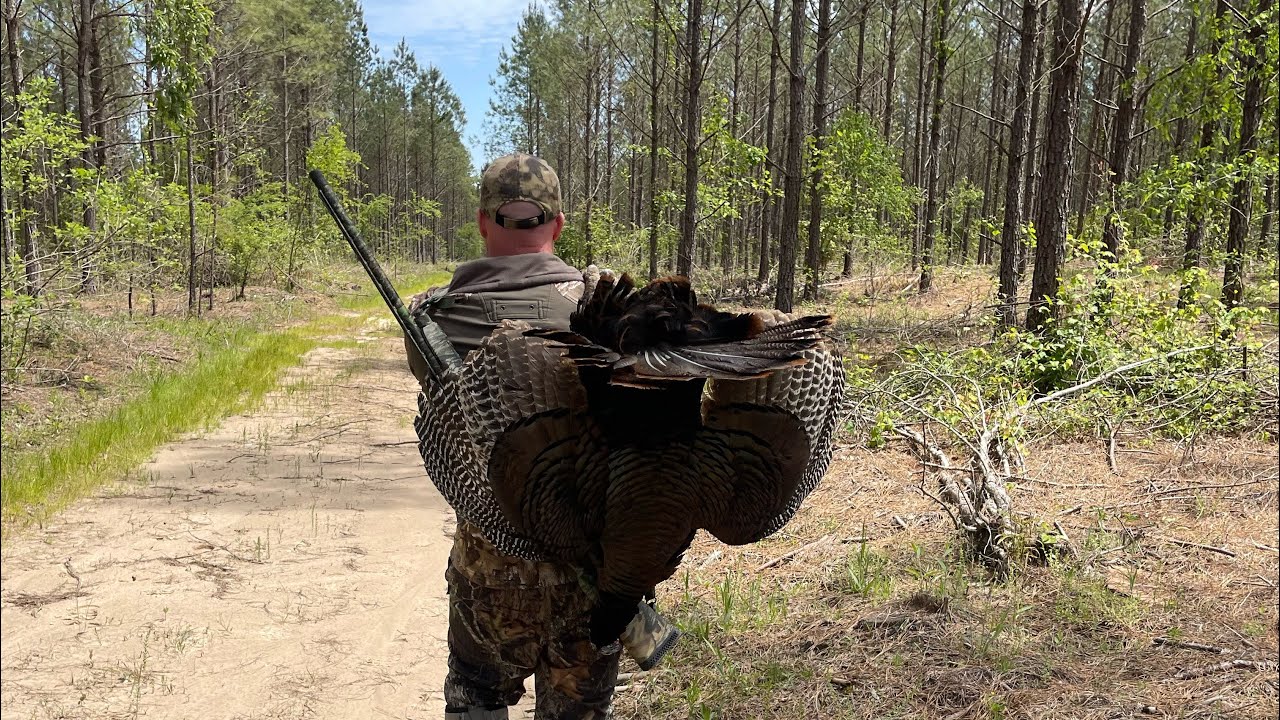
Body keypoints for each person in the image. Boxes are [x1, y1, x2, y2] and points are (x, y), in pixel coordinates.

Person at [404, 153, 675, 720]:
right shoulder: (611, 313)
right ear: (558, 224)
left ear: (483, 223)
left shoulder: (435, 316)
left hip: (491, 574)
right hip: (595, 577)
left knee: (475, 694)